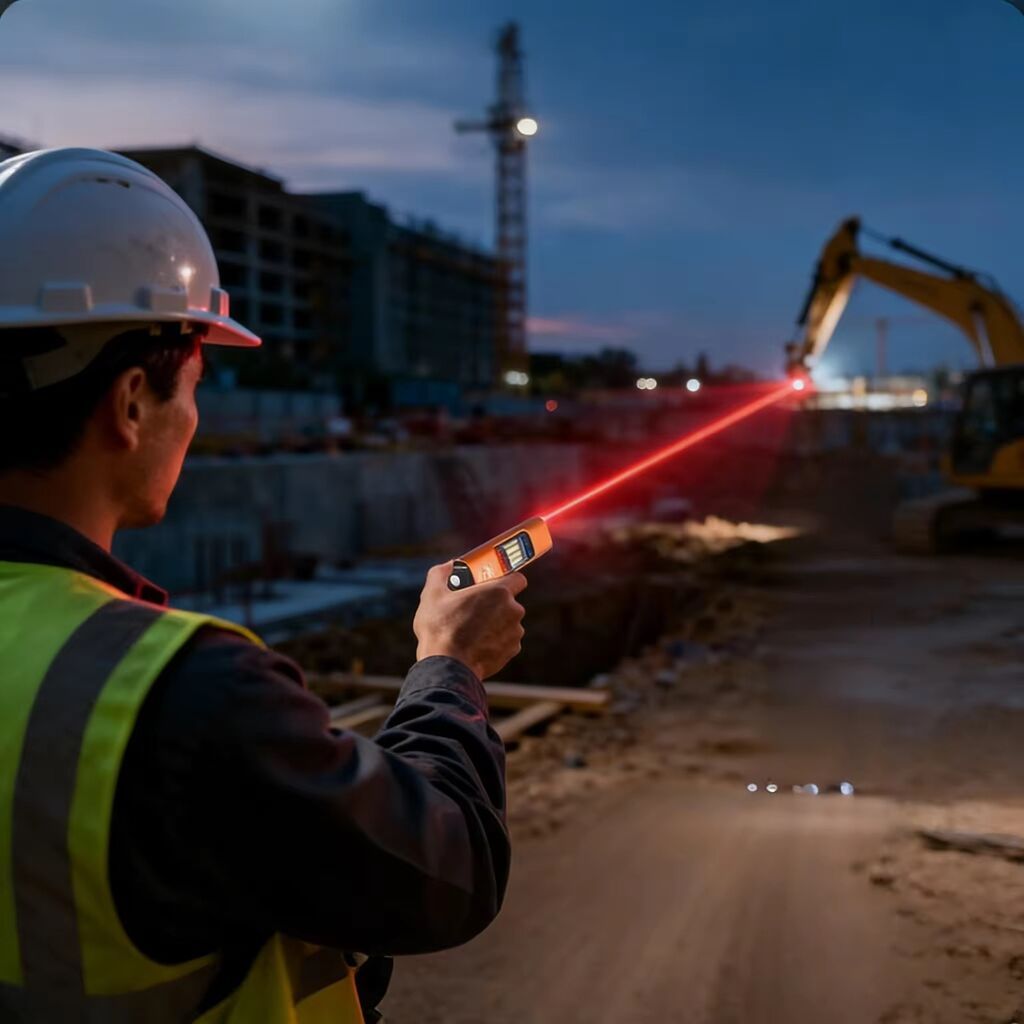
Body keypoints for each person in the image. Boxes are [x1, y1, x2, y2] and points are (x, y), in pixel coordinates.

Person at [0, 147, 526, 1022]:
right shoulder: (179, 694)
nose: (195, 419)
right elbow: (447, 872)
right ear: (132, 402)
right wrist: (449, 666)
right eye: (195, 384)